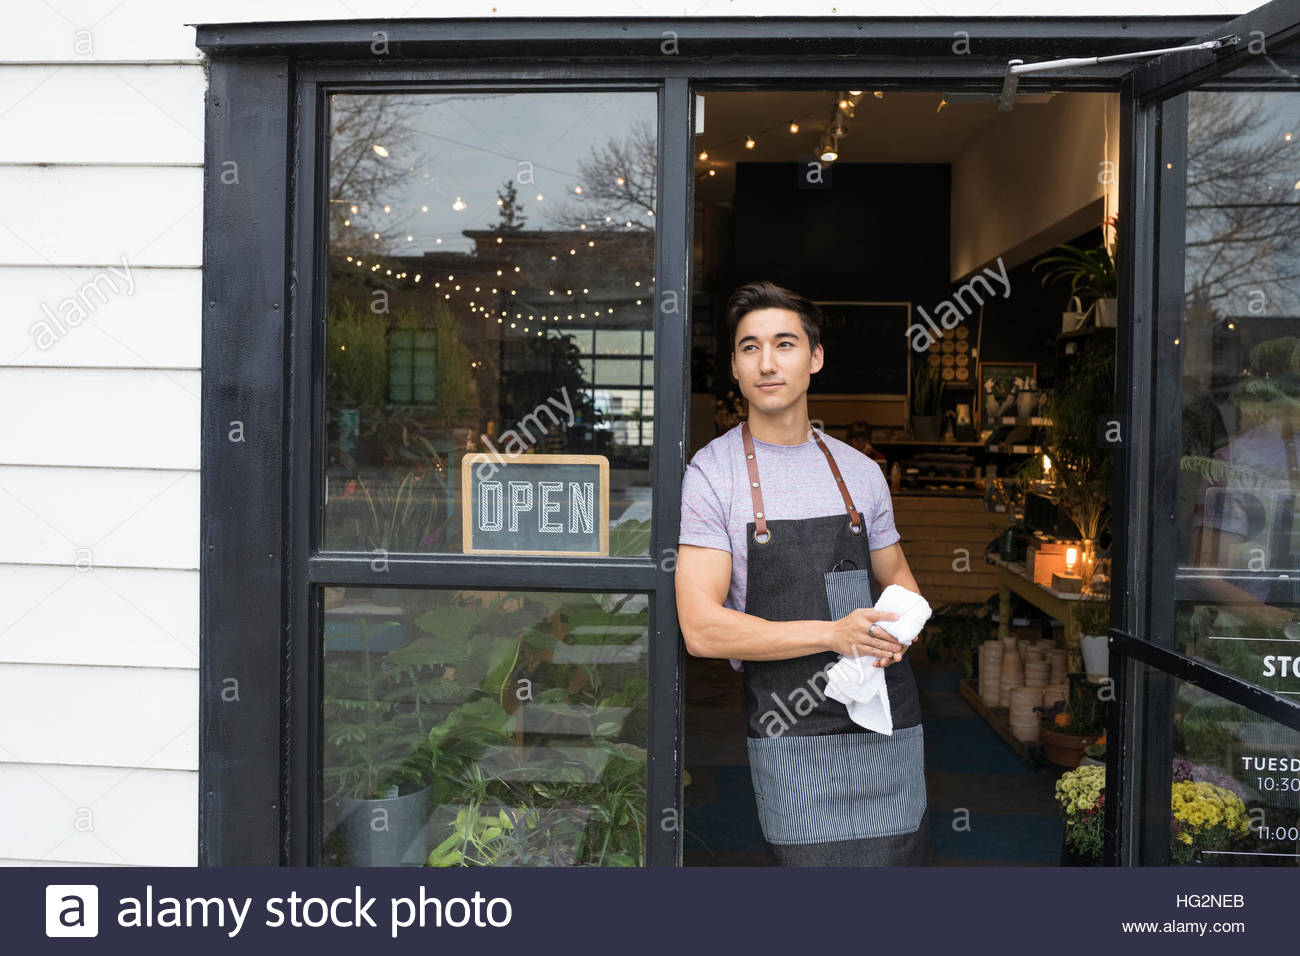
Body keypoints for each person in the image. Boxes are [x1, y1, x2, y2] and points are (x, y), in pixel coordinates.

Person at [675, 279, 930, 866]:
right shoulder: (713, 475)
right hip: (789, 723)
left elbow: (903, 586)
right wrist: (832, 634)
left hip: (883, 718)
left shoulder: (862, 474)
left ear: (815, 358)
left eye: (785, 344)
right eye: (749, 348)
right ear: (735, 369)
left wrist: (891, 633)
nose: (767, 363)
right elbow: (703, 629)